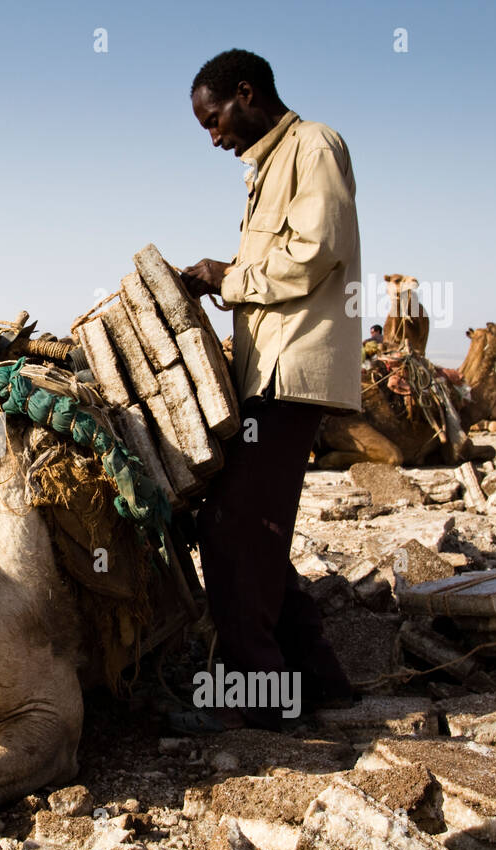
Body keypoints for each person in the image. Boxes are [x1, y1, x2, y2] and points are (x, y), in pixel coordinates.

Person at [175, 49, 358, 731]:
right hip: (268, 371)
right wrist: (224, 272)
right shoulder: (267, 167)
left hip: (292, 374)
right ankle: (320, 680)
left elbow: (316, 252)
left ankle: (254, 701)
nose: (215, 136)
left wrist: (227, 278)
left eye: (215, 120)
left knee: (231, 531)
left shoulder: (313, 146)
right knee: (253, 529)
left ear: (246, 94)